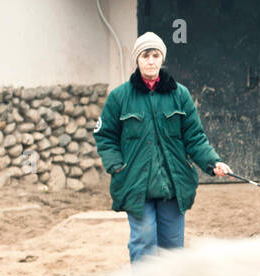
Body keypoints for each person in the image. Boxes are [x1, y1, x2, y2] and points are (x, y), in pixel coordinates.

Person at [93, 32, 232, 263]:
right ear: (137, 60)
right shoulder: (119, 97)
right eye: (145, 55)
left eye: (155, 55)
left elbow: (195, 137)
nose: (150, 60)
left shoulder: (180, 95)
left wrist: (213, 162)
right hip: (136, 184)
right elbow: (104, 135)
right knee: (143, 242)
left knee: (172, 248)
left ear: (162, 59)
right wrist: (117, 167)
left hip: (173, 184)